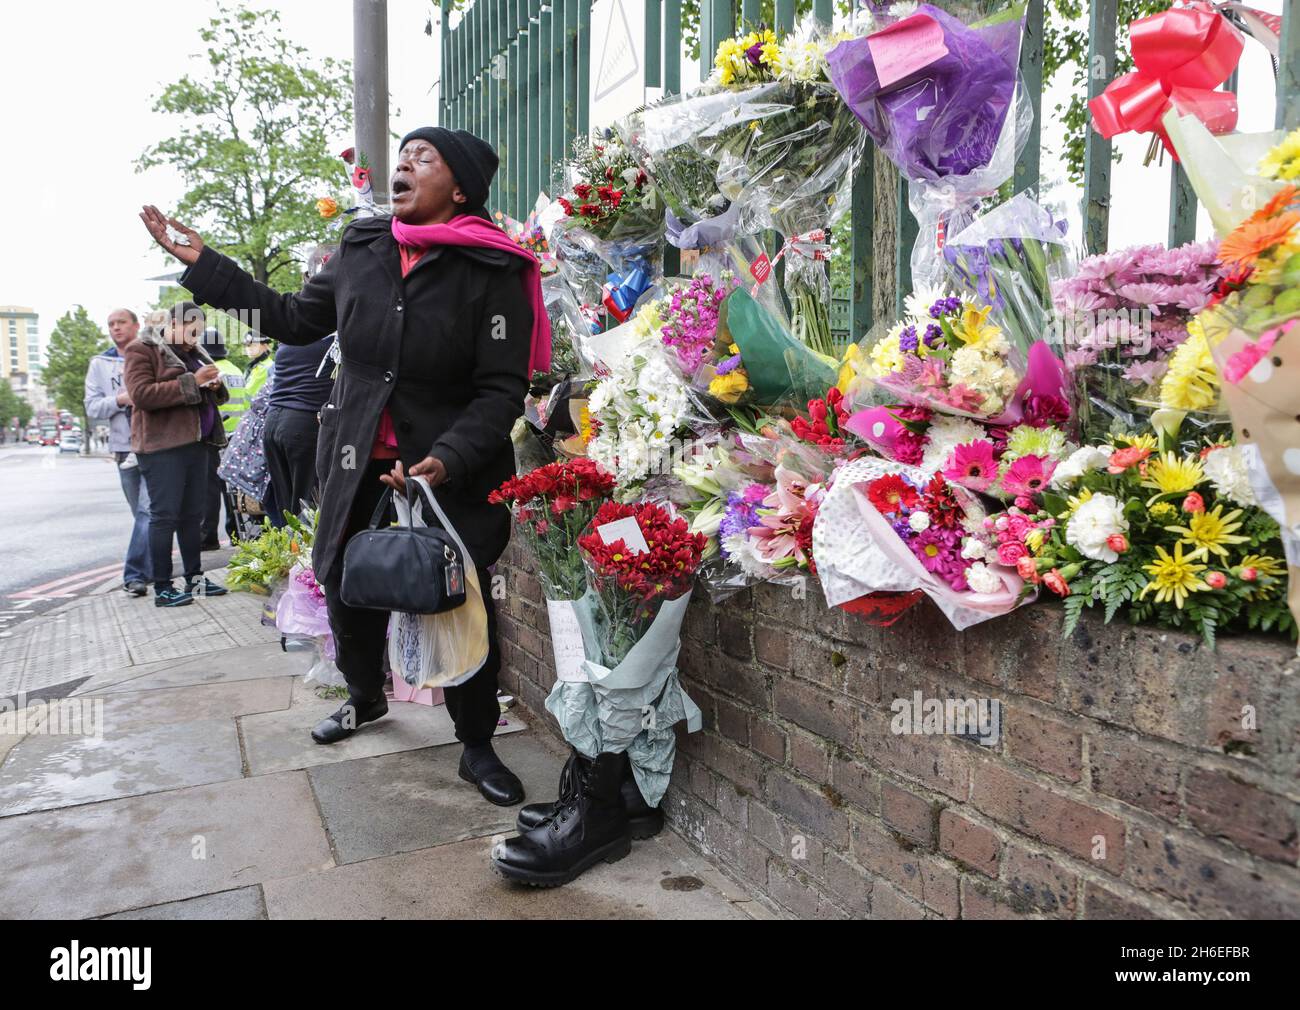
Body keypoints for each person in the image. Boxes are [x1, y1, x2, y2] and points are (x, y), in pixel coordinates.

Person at [140, 126, 549, 817]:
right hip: (358, 456)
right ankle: (365, 698)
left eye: (423, 158)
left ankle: (476, 742)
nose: (403, 166)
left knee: (463, 598)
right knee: (345, 584)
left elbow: (500, 389)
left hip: (448, 468)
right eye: (401, 156)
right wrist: (207, 266)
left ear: (460, 188)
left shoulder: (494, 271)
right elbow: (296, 320)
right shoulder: (363, 247)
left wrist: (447, 458)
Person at [124, 301, 233, 607]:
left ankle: (195, 581)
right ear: (173, 324)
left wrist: (214, 384)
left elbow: (206, 391)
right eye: (190, 330)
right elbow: (141, 395)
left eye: (198, 331)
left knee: (191, 516)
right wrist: (193, 382)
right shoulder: (142, 349)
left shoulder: (193, 352)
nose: (194, 337)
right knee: (164, 517)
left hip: (197, 444)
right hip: (161, 447)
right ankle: (163, 587)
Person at [262, 244, 339, 526]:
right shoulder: (333, 320)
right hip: (304, 425)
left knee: (289, 514)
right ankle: (307, 569)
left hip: (275, 424)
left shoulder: (297, 321)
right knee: (310, 512)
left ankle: (292, 567)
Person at [84, 308, 151, 596]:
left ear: (136, 326)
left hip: (152, 443)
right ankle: (150, 569)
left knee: (148, 511)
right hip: (124, 448)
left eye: (121, 322)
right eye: (111, 324)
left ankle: (134, 574)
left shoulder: (151, 353)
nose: (116, 328)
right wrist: (122, 398)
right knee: (142, 514)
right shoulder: (100, 363)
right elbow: (93, 407)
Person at [201, 328, 244, 548]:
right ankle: (236, 534)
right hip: (238, 438)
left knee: (211, 490)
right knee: (232, 489)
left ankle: (208, 538)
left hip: (217, 438)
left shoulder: (211, 371)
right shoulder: (236, 370)